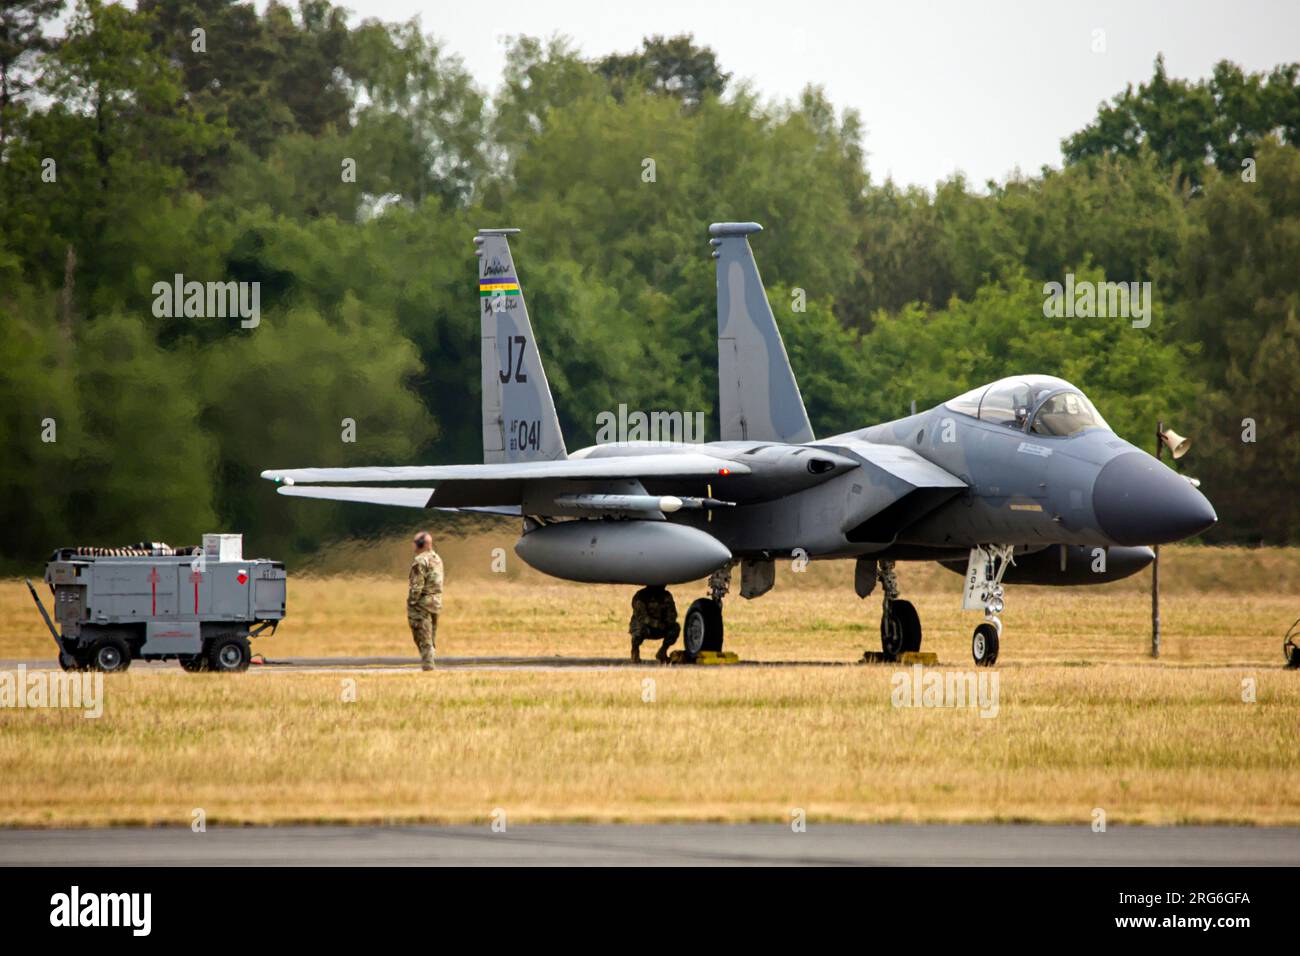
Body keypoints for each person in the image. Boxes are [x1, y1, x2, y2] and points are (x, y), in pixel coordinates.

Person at [407, 531, 443, 670]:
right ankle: (430, 664)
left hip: (422, 605)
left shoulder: (420, 560)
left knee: (423, 639)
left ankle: (428, 668)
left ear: (421, 544)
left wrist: (412, 601)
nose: (413, 545)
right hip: (435, 604)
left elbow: (417, 586)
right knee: (431, 639)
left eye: (415, 542)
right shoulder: (437, 558)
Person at [628, 585, 679, 663]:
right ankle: (635, 652)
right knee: (638, 628)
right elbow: (642, 617)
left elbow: (672, 613)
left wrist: (669, 621)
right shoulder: (641, 596)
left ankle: (662, 652)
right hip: (646, 627)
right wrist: (657, 624)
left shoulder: (666, 596)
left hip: (660, 627)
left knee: (675, 627)